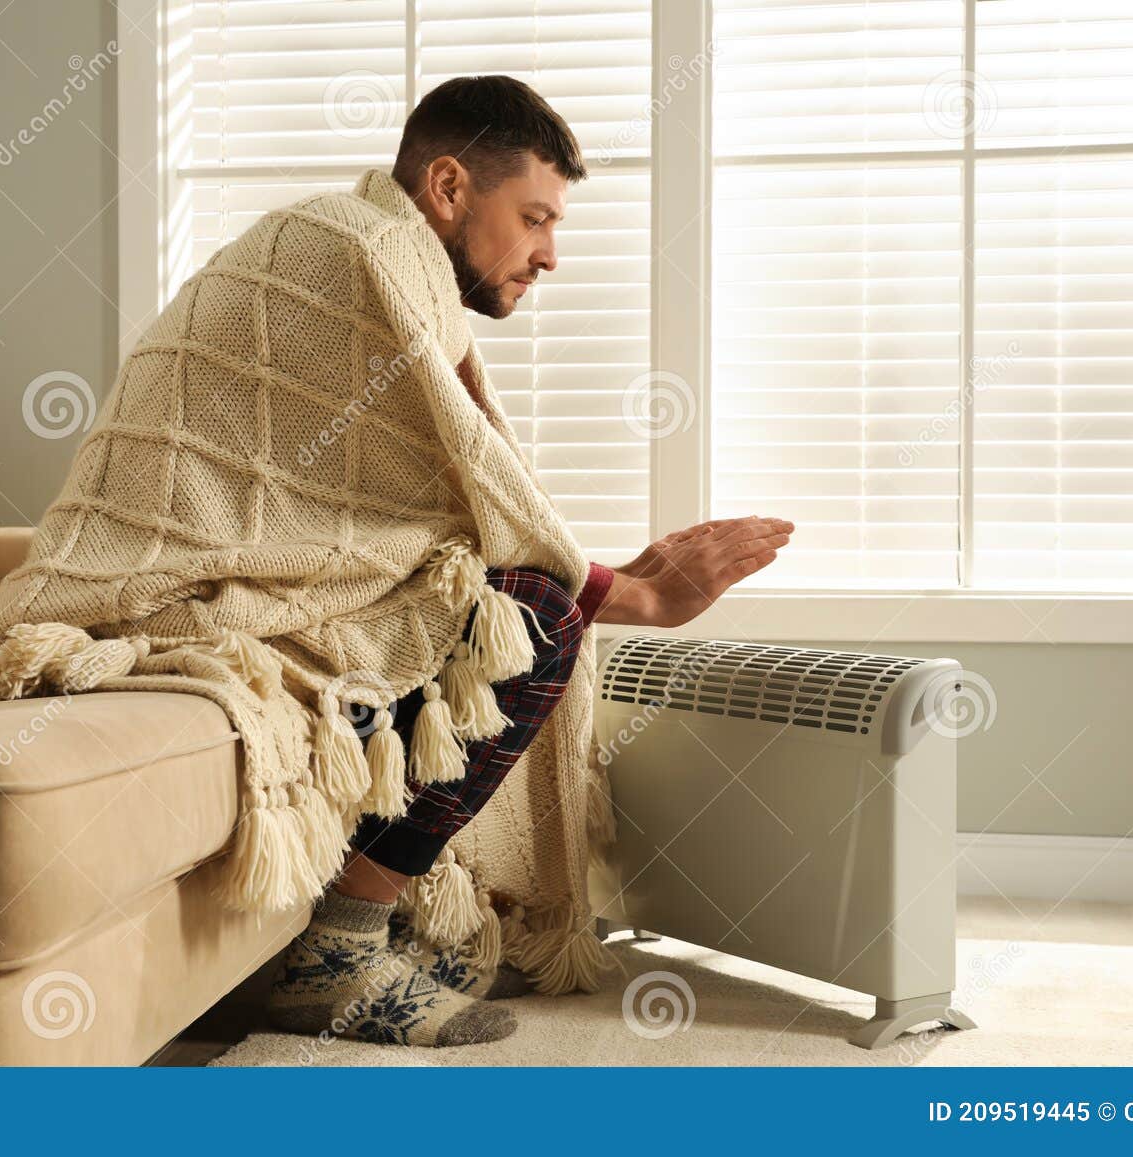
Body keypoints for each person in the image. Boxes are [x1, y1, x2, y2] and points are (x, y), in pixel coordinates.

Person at [263, 75, 794, 1049]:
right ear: (451, 187)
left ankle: (349, 934)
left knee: (534, 598)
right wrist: (621, 589)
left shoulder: (383, 256)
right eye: (535, 217)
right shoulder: (361, 250)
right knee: (538, 611)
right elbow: (385, 518)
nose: (550, 252)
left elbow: (421, 515)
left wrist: (612, 577)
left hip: (280, 581)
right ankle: (331, 956)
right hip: (197, 590)